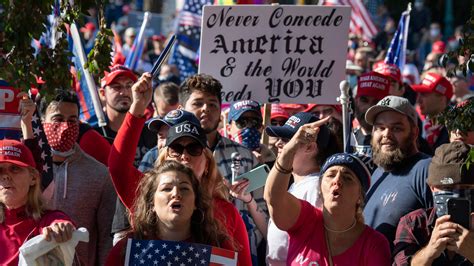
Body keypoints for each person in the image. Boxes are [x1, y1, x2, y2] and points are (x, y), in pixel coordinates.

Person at [107, 72, 252, 265]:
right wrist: (136, 109)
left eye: (193, 148)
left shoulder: (227, 213)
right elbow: (117, 166)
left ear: (208, 162)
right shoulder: (148, 195)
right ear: (165, 157)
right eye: (176, 148)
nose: (184, 155)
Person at [264, 118, 390, 265]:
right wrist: (290, 147)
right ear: (320, 188)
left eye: (347, 178)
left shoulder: (374, 244)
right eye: (330, 175)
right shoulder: (305, 220)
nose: (337, 181)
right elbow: (274, 198)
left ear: (360, 197)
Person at [25, 90, 117, 265]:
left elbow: (107, 237)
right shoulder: (26, 170)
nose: (66, 126)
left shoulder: (99, 174)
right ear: (43, 121)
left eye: (72, 120)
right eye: (58, 119)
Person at [105, 161, 234, 264]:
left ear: (196, 202)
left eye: (184, 188)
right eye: (166, 188)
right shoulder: (127, 250)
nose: (176, 194)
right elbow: (117, 165)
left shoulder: (218, 246)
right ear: (152, 203)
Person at [264, 112, 342, 265]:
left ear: (310, 148)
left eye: (287, 140)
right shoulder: (299, 184)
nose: (278, 144)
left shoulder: (316, 187)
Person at [363, 95, 433, 250]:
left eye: (396, 128)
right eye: (380, 128)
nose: (386, 134)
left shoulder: (425, 169)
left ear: (414, 132)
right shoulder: (376, 174)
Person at [97, 65, 156, 244]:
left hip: (150, 221)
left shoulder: (153, 132)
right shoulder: (93, 134)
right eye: (116, 87)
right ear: (101, 93)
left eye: (129, 85)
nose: (124, 92)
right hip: (108, 226)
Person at [393, 141, 474, 265]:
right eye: (447, 188)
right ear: (432, 188)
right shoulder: (415, 224)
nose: (457, 194)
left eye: (465, 188)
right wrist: (429, 251)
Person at [0, 139, 75, 265]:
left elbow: (58, 221)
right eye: (0, 170)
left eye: (14, 168)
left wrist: (61, 227)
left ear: (33, 178)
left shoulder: (46, 219)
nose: (5, 176)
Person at [352, 71, 390, 157]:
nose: (369, 107)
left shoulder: (394, 141)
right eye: (364, 100)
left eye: (376, 102)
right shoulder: (346, 137)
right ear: (356, 101)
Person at [413, 72, 453, 152]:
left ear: (442, 99)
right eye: (419, 94)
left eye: (424, 94)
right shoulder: (416, 123)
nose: (418, 100)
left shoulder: (455, 129)